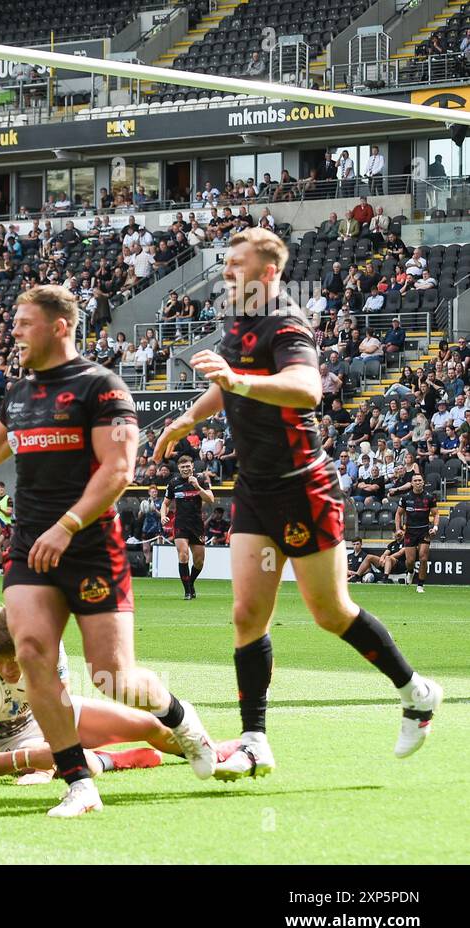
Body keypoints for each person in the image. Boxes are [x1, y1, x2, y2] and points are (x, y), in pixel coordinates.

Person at [0, 285, 217, 818]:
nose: (13, 332)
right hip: (31, 544)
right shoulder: (20, 392)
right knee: (31, 651)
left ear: (59, 327)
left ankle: (183, 721)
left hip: (91, 545)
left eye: (24, 323)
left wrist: (70, 524)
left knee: (112, 674)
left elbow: (119, 470)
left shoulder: (102, 388)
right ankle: (79, 781)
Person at [156, 228, 443, 781]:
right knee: (246, 614)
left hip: (303, 488)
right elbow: (232, 384)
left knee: (330, 612)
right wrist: (192, 416)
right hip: (255, 491)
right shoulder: (238, 321)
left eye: (237, 263)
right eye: (227, 261)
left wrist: (238, 378)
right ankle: (255, 740)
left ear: (267, 273)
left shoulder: (286, 322)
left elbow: (306, 387)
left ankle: (417, 693)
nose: (227, 270)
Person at [0, 606, 199, 780]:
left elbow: (62, 705)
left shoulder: (47, 643)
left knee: (149, 724)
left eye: (14, 660)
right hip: (10, 740)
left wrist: (52, 752)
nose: (7, 669)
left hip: (48, 714)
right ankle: (111, 760)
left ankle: (212, 753)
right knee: (86, 766)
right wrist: (29, 758)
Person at [161, 454, 215, 598]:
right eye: (182, 467)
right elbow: (165, 503)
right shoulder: (173, 483)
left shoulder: (201, 479)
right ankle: (187, 591)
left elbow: (210, 499)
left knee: (199, 562)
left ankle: (190, 583)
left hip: (197, 524)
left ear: (192, 466)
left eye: (187, 466)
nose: (185, 469)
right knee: (183, 555)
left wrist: (197, 487)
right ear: (179, 468)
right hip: (180, 523)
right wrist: (163, 516)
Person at [396, 473, 438, 594]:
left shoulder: (430, 497)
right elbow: (398, 514)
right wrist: (398, 529)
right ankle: (410, 571)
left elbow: (436, 514)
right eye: (416, 480)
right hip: (410, 531)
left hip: (424, 530)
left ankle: (420, 585)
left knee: (423, 558)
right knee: (410, 561)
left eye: (420, 480)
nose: (418, 482)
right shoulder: (405, 497)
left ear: (423, 482)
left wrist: (434, 528)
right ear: (412, 483)